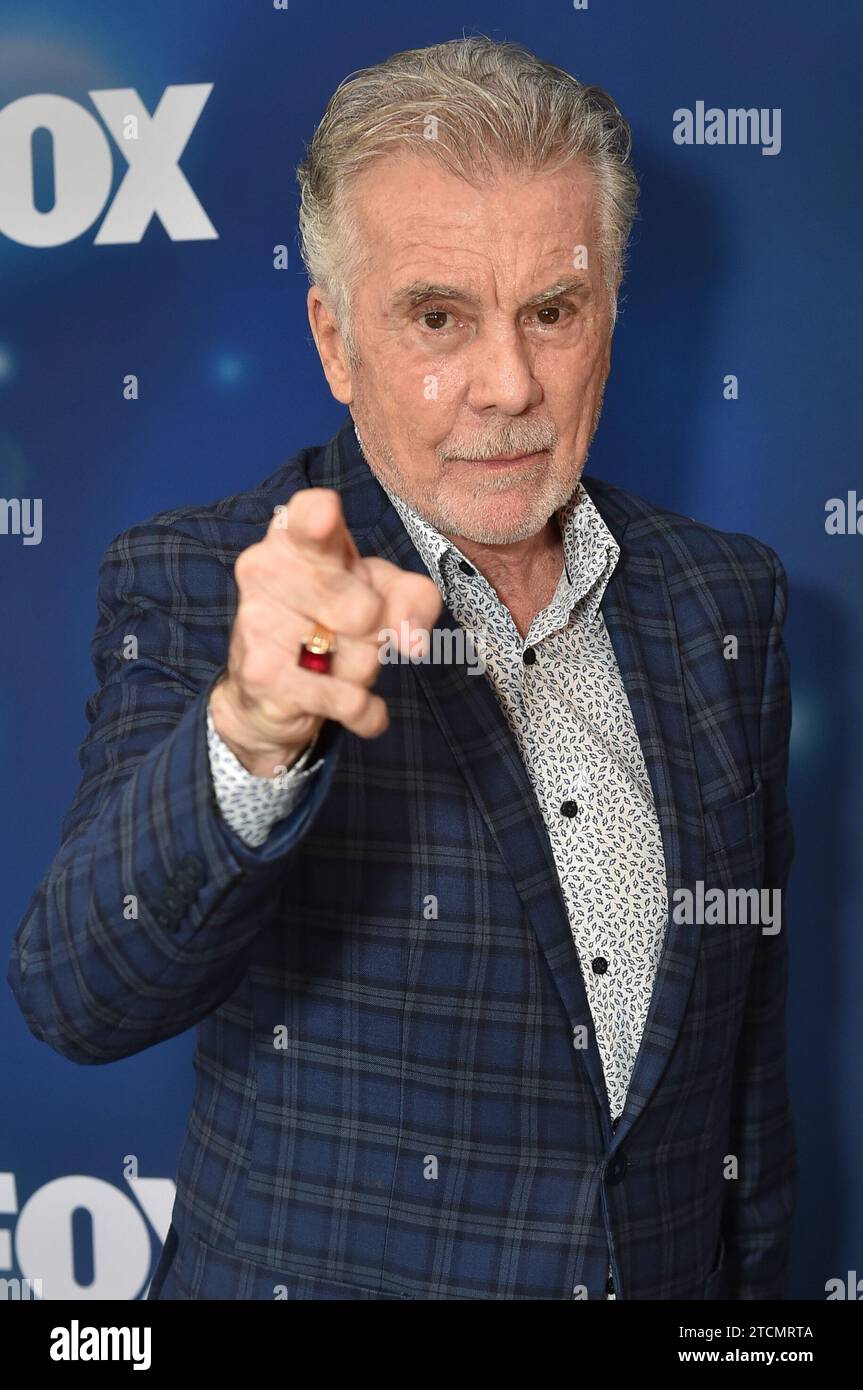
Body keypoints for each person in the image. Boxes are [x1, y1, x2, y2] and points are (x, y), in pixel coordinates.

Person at [8, 36, 795, 1300]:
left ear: (609, 314)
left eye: (552, 311)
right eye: (437, 316)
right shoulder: (211, 577)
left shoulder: (725, 598)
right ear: (333, 339)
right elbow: (77, 990)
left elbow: (737, 1060)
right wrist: (254, 735)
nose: (506, 384)